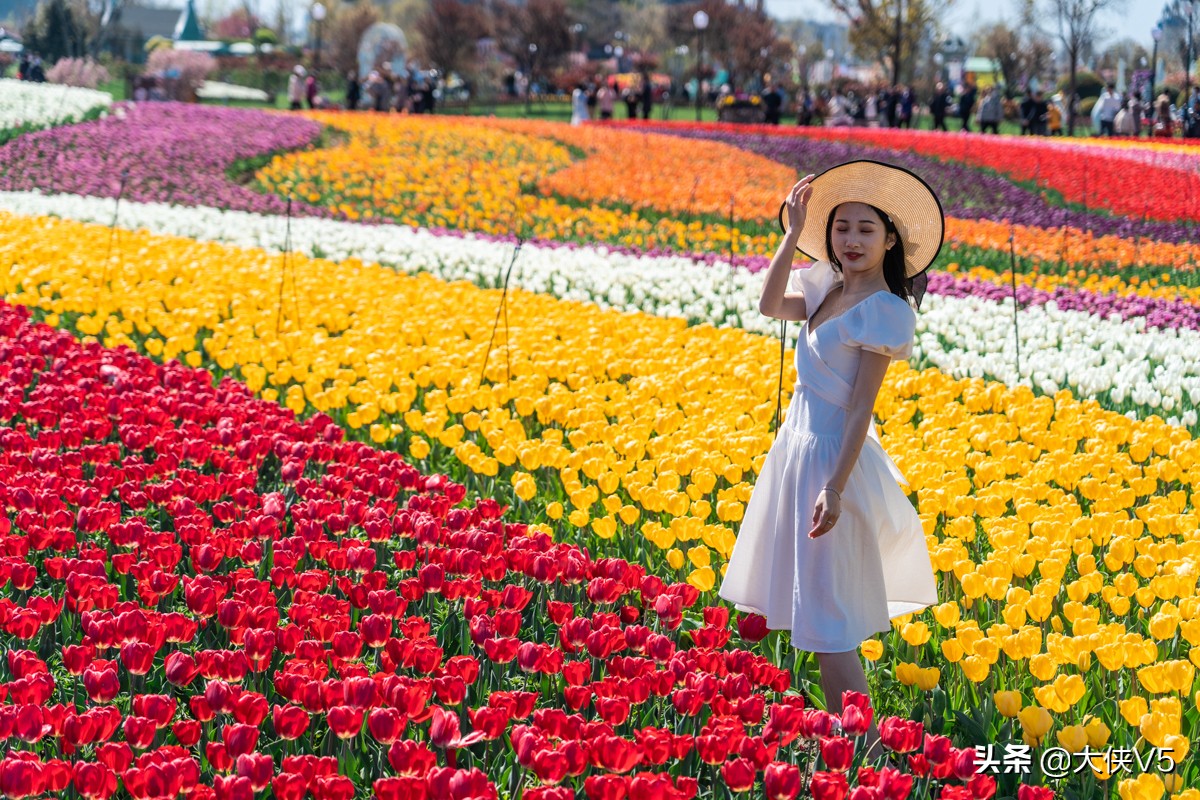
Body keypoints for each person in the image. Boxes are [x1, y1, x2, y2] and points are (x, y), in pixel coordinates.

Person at [719, 160, 941, 754]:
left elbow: (861, 411)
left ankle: (864, 751)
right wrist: (791, 236)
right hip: (796, 452)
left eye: (867, 229)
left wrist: (834, 488)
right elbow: (769, 306)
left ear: (890, 239)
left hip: (831, 465)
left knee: (830, 618)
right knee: (816, 613)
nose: (852, 240)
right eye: (842, 227)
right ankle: (852, 745)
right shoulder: (824, 286)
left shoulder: (886, 311)